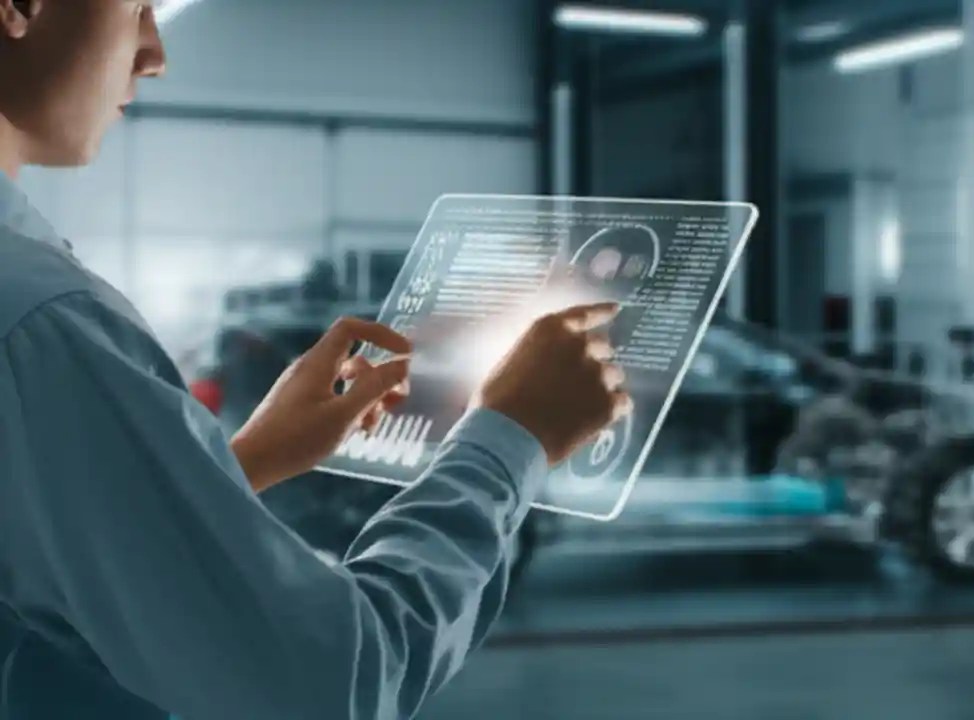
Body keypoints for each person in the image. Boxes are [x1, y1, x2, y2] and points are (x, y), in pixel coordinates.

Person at [0, 1, 631, 717]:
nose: (155, 55)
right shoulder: (43, 323)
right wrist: (509, 440)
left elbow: (52, 555)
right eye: (137, 7)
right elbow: (328, 682)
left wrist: (247, 460)